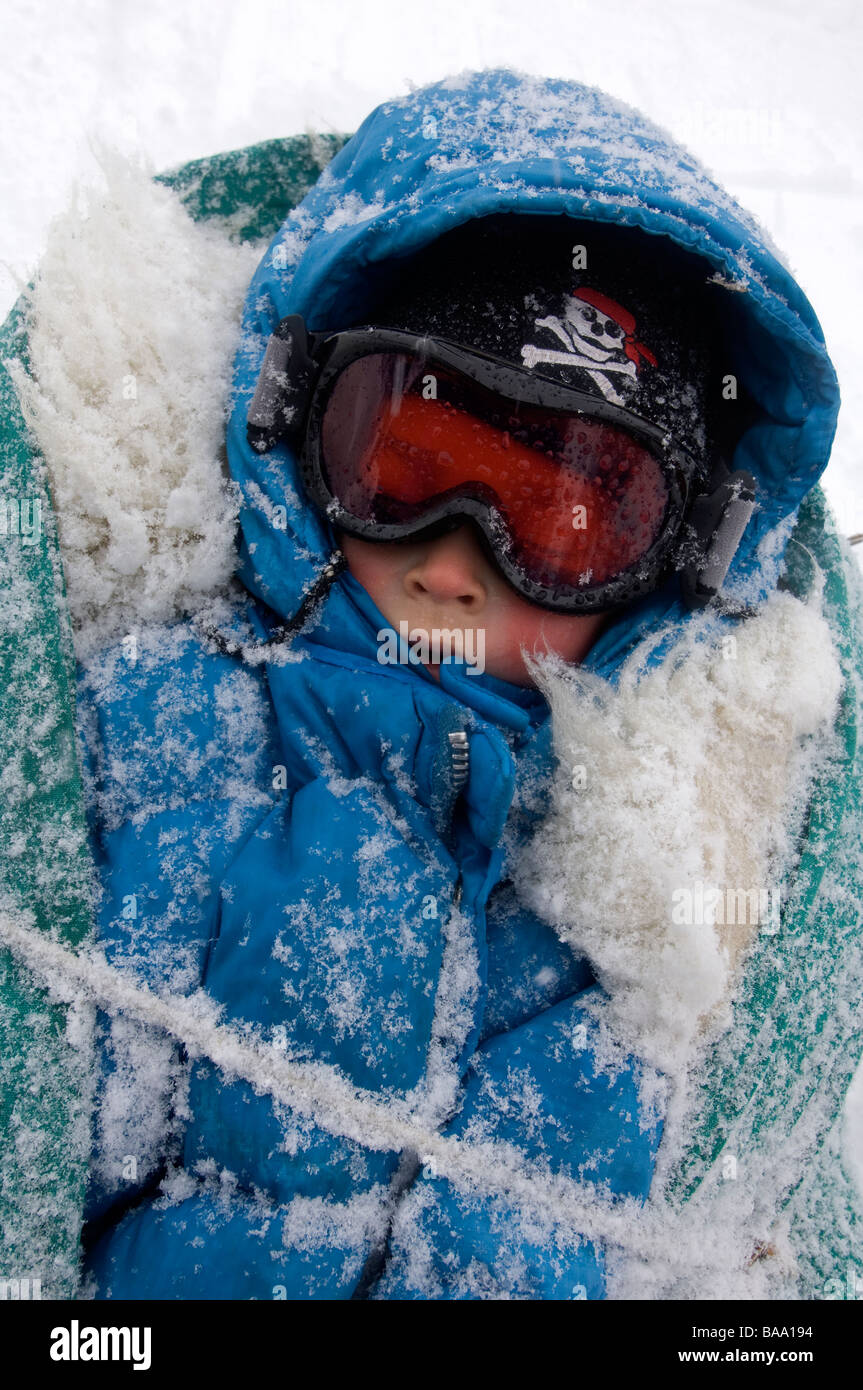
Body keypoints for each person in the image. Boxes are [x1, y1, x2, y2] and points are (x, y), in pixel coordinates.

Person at [73, 68, 843, 1300]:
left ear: (672, 572)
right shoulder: (168, 732)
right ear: (296, 418)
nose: (451, 559)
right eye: (408, 463)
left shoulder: (658, 922)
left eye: (560, 520)